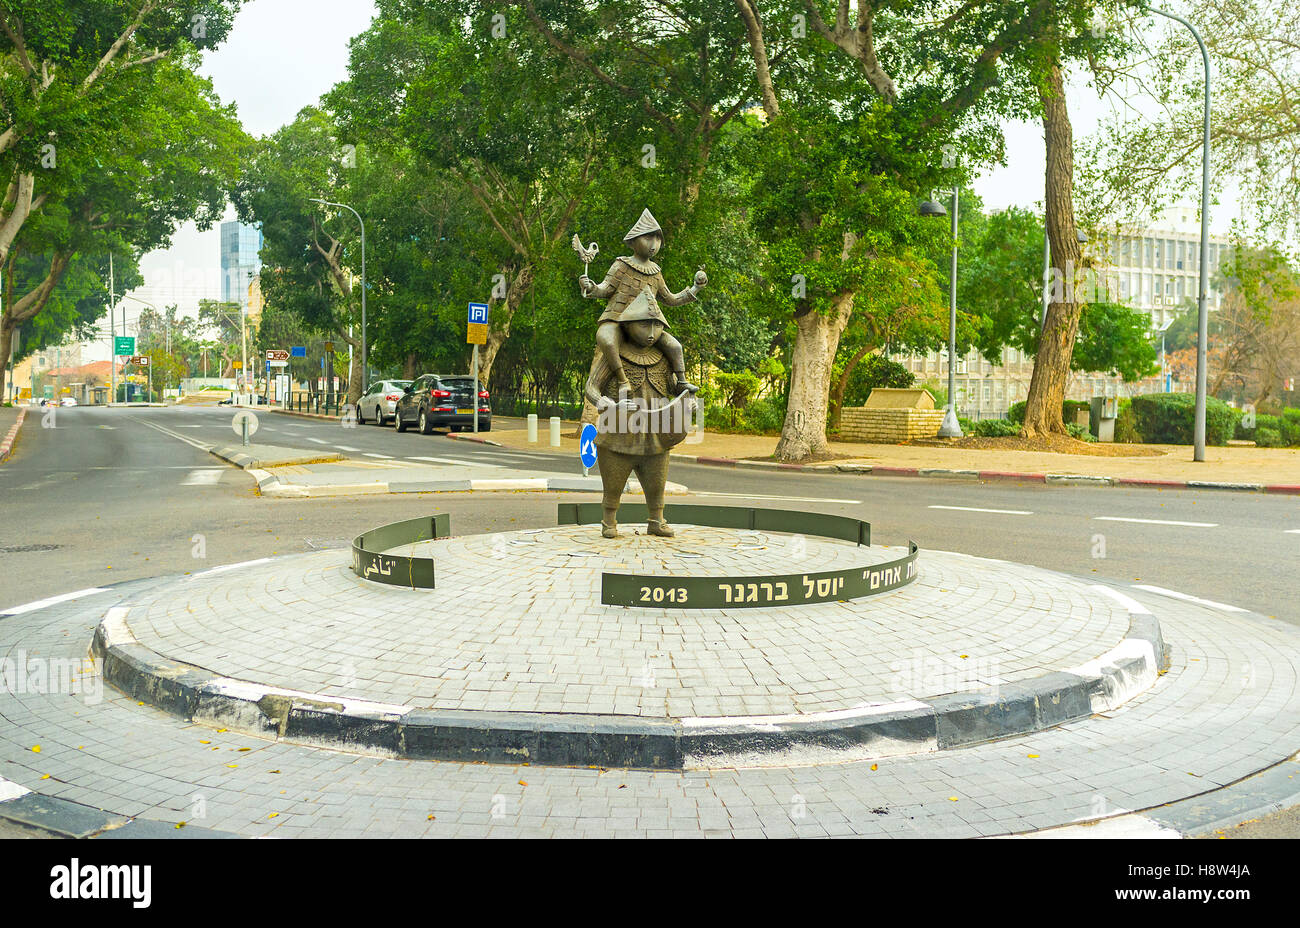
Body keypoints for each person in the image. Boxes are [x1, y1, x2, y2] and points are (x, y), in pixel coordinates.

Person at [584, 293, 695, 539]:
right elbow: (592, 387)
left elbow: (676, 388)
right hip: (618, 432)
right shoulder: (615, 356)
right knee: (613, 483)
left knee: (656, 483)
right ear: (628, 325)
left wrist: (687, 401)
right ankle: (609, 519)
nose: (651, 332)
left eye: (657, 325)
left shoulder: (664, 358)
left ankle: (657, 519)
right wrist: (602, 401)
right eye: (644, 324)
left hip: (655, 432)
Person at [578, 208, 706, 395]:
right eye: (648, 238)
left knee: (675, 346)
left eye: (657, 239)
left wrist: (695, 288)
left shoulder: (656, 272)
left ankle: (681, 381)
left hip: (647, 325)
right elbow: (605, 289)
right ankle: (622, 380)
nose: (653, 244)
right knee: (607, 339)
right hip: (617, 319)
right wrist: (591, 287)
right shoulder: (621, 265)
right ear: (634, 241)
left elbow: (670, 298)